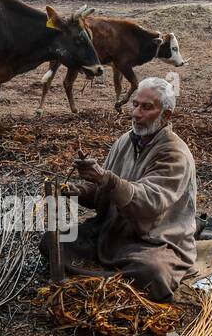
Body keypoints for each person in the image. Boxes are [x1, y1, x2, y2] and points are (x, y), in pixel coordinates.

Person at [42, 76, 197, 301]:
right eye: (135, 104)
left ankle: (96, 278)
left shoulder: (174, 154)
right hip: (112, 231)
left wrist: (106, 179)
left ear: (166, 115)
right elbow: (103, 194)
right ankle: (105, 278)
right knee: (51, 241)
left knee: (152, 272)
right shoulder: (125, 141)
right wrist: (77, 191)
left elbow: (149, 203)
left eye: (147, 107)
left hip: (151, 240)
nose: (136, 113)